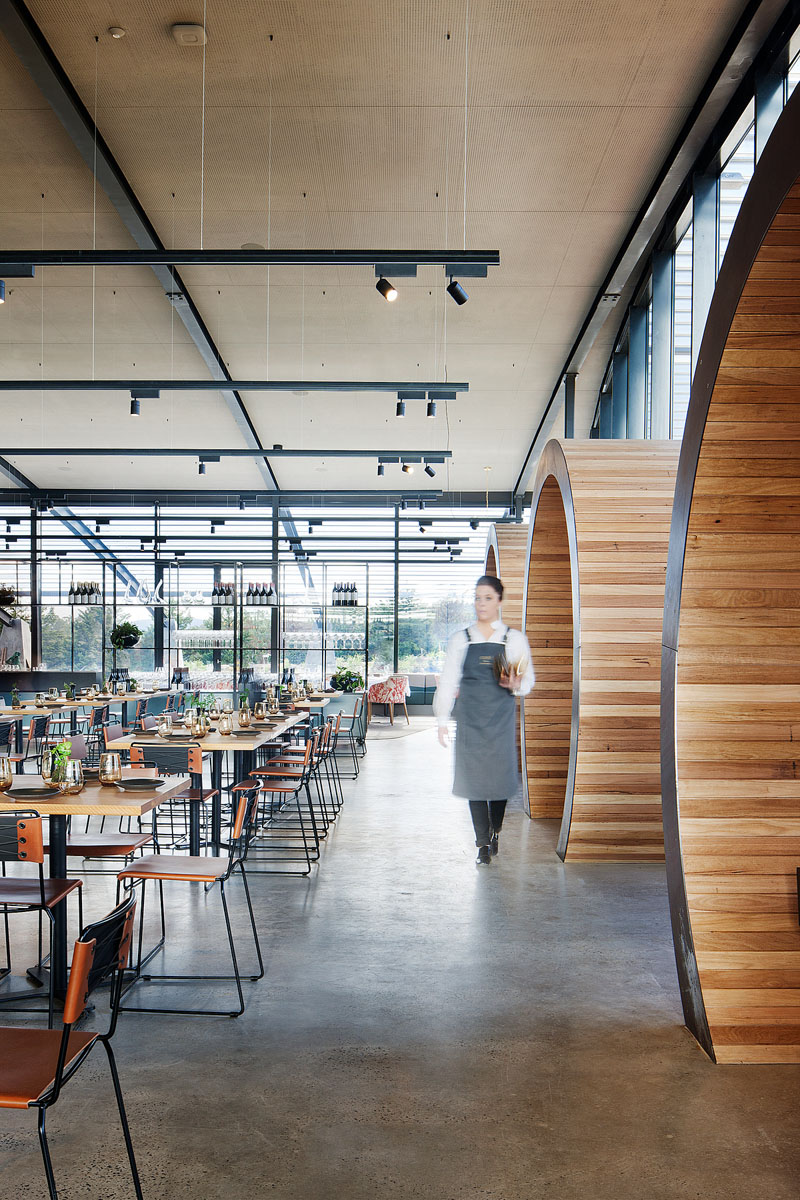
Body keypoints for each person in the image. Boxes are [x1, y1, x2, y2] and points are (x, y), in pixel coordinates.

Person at [434, 575, 534, 865]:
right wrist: (441, 719)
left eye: (488, 598)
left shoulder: (513, 639)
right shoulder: (460, 639)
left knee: (500, 780)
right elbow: (449, 680)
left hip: (500, 721)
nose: (481, 603)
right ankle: (482, 844)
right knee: (473, 781)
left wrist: (515, 684)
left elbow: (527, 682)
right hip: (470, 720)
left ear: (499, 601)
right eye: (477, 597)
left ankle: (496, 828)